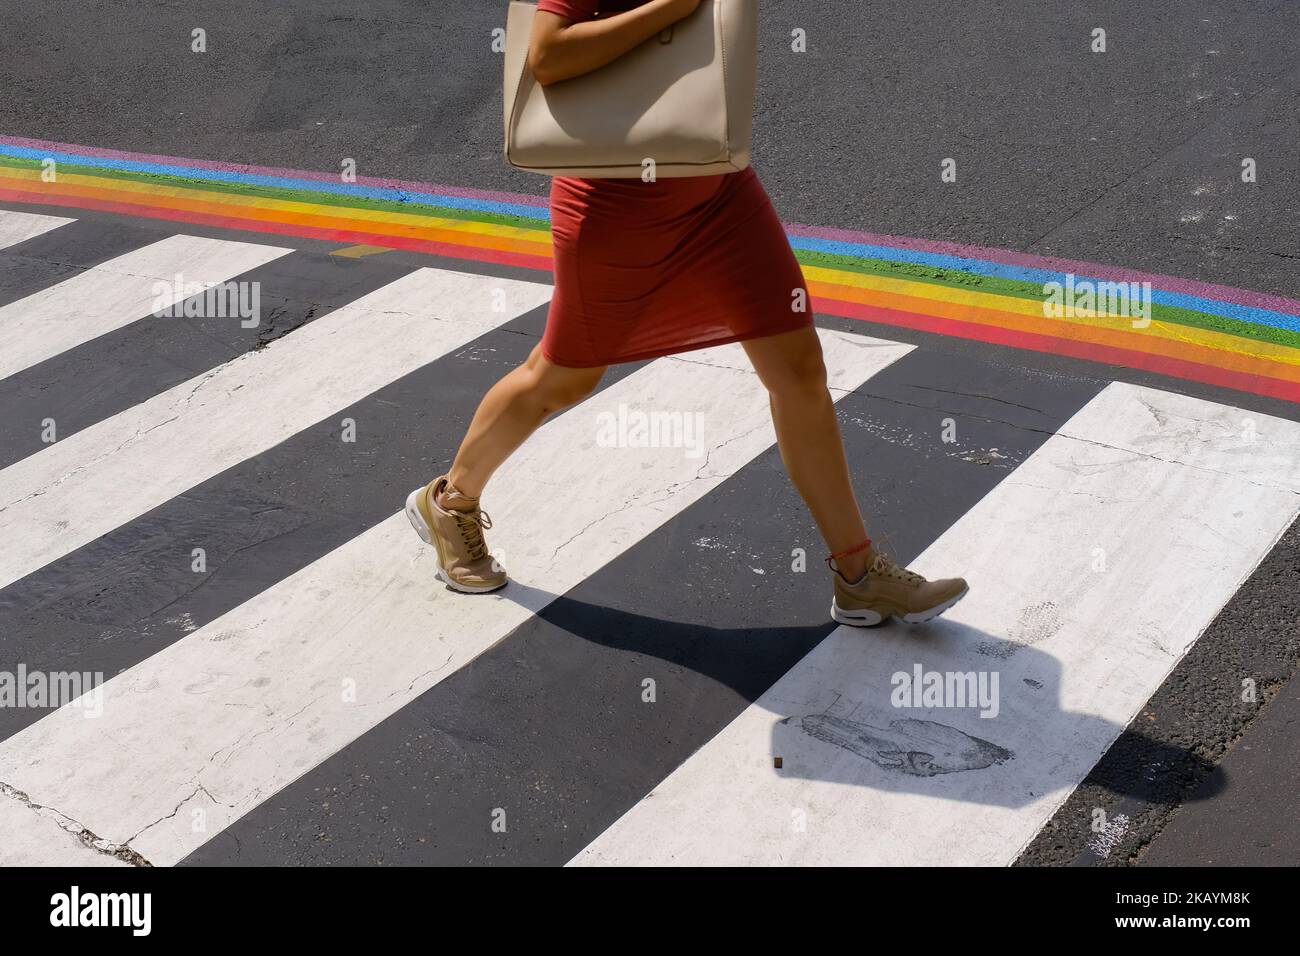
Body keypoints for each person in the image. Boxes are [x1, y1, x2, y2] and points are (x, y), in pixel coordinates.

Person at [405, 0, 968, 626]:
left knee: (799, 370)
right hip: (614, 201)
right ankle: (451, 501)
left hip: (717, 186)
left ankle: (859, 575)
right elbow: (548, 54)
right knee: (561, 377)